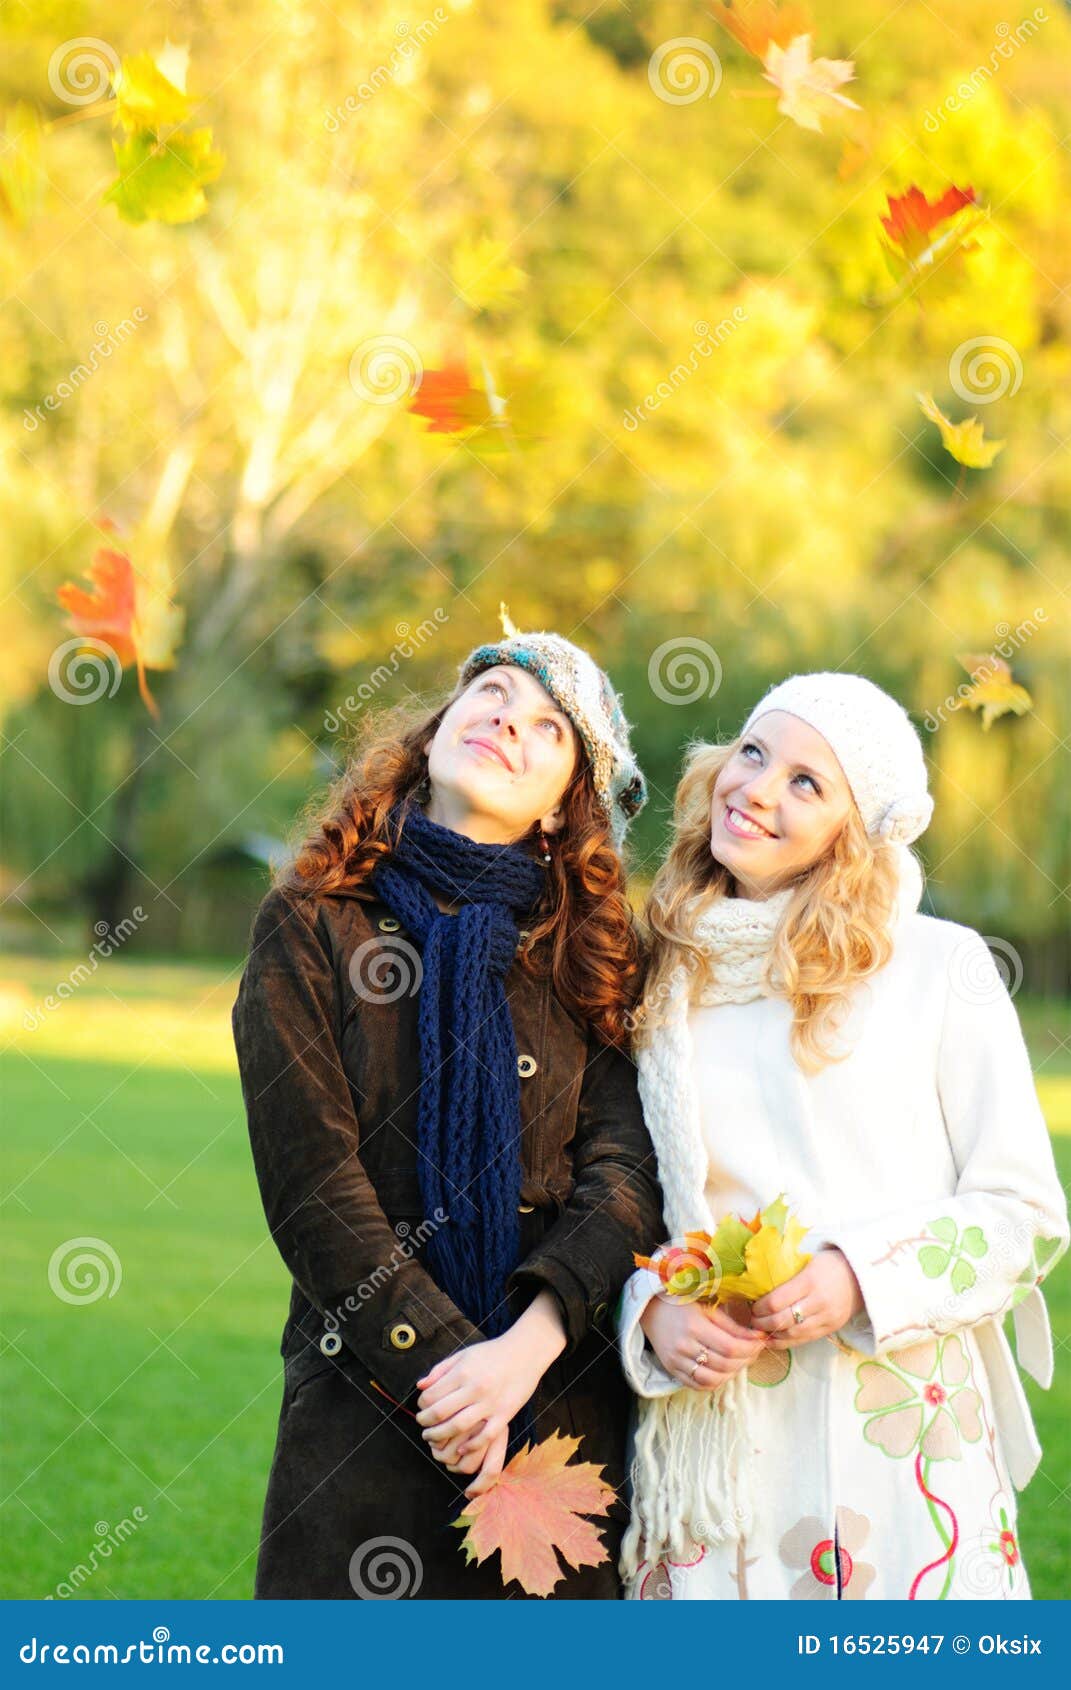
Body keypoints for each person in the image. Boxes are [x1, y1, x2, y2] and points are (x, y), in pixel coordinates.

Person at [231, 627, 664, 1598]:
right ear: (435, 733)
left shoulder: (589, 960)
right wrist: (454, 1370)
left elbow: (627, 1175)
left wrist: (523, 1352)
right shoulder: (311, 921)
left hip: (559, 1413)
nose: (511, 719)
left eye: (551, 728)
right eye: (495, 693)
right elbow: (316, 1192)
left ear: (564, 810)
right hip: (364, 1422)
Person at [616, 671, 1068, 1600]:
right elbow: (609, 1196)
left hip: (897, 1432)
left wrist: (857, 1273)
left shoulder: (940, 968)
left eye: (807, 783)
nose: (758, 790)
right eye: (752, 753)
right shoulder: (655, 974)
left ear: (853, 833)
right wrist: (650, 1313)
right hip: (718, 1445)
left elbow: (1022, 1213)